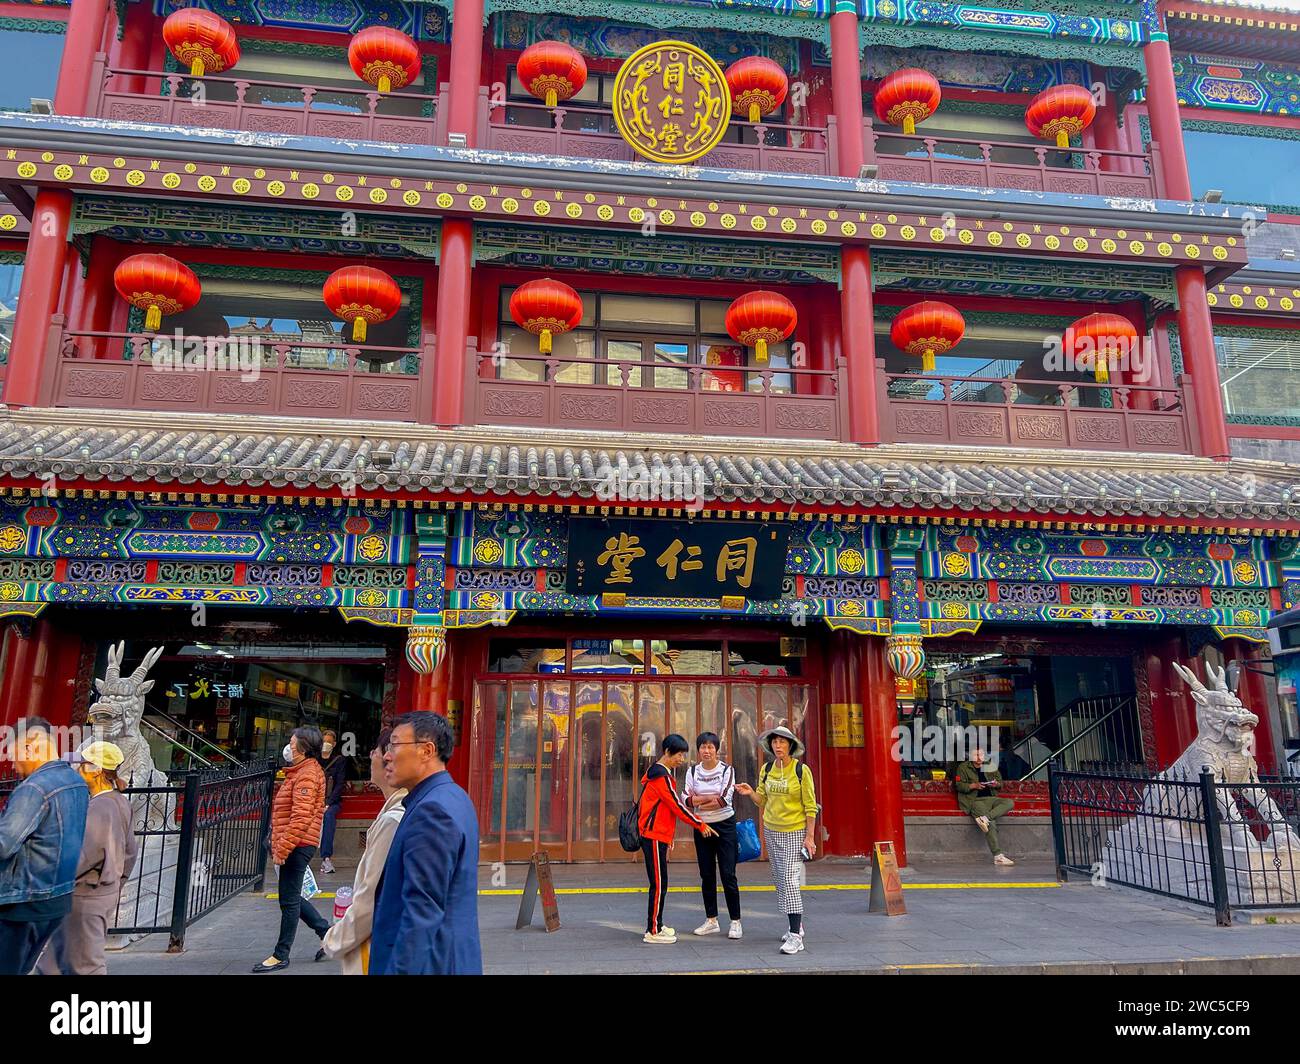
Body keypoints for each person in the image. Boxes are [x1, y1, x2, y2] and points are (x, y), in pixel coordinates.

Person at [369, 712, 481, 975]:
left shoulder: (432, 811)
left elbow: (422, 912)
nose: (387, 755)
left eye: (395, 745)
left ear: (426, 750)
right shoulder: (453, 796)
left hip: (432, 964)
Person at [36, 741, 137, 975]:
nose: (78, 770)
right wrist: (114, 883)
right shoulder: (119, 801)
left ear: (96, 770)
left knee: (86, 964)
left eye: (82, 765)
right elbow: (131, 852)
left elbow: (81, 856)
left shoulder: (101, 807)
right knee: (55, 961)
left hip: (86, 895)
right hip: (96, 893)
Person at [0, 717, 89, 975]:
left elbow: (4, 844)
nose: (13, 765)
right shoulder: (75, 782)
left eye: (14, 755)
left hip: (23, 900)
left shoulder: (35, 788)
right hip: (57, 897)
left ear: (30, 747)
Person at [321, 727, 407, 974]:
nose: (370, 755)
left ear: (389, 757)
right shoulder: (396, 809)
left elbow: (370, 896)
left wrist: (335, 939)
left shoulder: (394, 819)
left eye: (376, 751)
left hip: (382, 946)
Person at [253, 726, 331, 973]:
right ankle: (327, 933)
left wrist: (282, 848)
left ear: (302, 747)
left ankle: (281, 954)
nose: (288, 744)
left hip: (297, 843)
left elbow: (301, 816)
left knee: (288, 901)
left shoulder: (306, 775)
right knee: (292, 896)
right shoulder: (302, 772)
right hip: (296, 841)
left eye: (291, 740)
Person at [735, 725, 817, 956]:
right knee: (781, 880)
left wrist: (809, 837)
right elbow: (762, 800)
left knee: (791, 881)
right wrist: (750, 792)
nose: (778, 746)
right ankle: (797, 925)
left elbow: (810, 806)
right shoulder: (767, 768)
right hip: (772, 830)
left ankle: (795, 936)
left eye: (782, 742)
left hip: (794, 832)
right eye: (775, 742)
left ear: (791, 745)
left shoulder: (802, 770)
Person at [638, 734, 716, 945]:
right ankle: (652, 930)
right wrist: (700, 824)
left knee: (661, 883)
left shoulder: (661, 774)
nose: (682, 759)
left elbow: (666, 810)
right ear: (667, 752)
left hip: (657, 835)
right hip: (653, 836)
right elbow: (677, 806)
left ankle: (658, 924)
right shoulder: (661, 777)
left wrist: (668, 836)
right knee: (659, 884)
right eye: (679, 754)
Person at [683, 731, 742, 940]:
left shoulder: (727, 770)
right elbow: (685, 801)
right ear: (698, 750)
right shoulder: (692, 771)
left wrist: (698, 799)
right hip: (702, 827)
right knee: (706, 875)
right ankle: (711, 920)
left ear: (717, 749)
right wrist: (708, 797)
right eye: (703, 747)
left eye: (710, 747)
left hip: (725, 826)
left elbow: (725, 799)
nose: (706, 751)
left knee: (728, 874)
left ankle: (735, 921)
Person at [956, 748, 1016, 866]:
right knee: (991, 824)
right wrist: (973, 785)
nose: (979, 757)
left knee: (1009, 802)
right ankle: (998, 856)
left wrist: (995, 784)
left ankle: (985, 817)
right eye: (976, 754)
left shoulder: (990, 765)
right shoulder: (963, 767)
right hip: (975, 800)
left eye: (981, 754)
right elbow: (959, 786)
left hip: (991, 798)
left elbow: (1000, 782)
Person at [319, 728, 347, 875]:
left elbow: (339, 785)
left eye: (329, 742)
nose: (326, 744)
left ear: (334, 744)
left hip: (332, 801)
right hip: (314, 800)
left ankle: (326, 858)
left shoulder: (339, 760)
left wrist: (328, 803)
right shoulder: (314, 759)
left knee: (329, 816)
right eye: (324, 742)